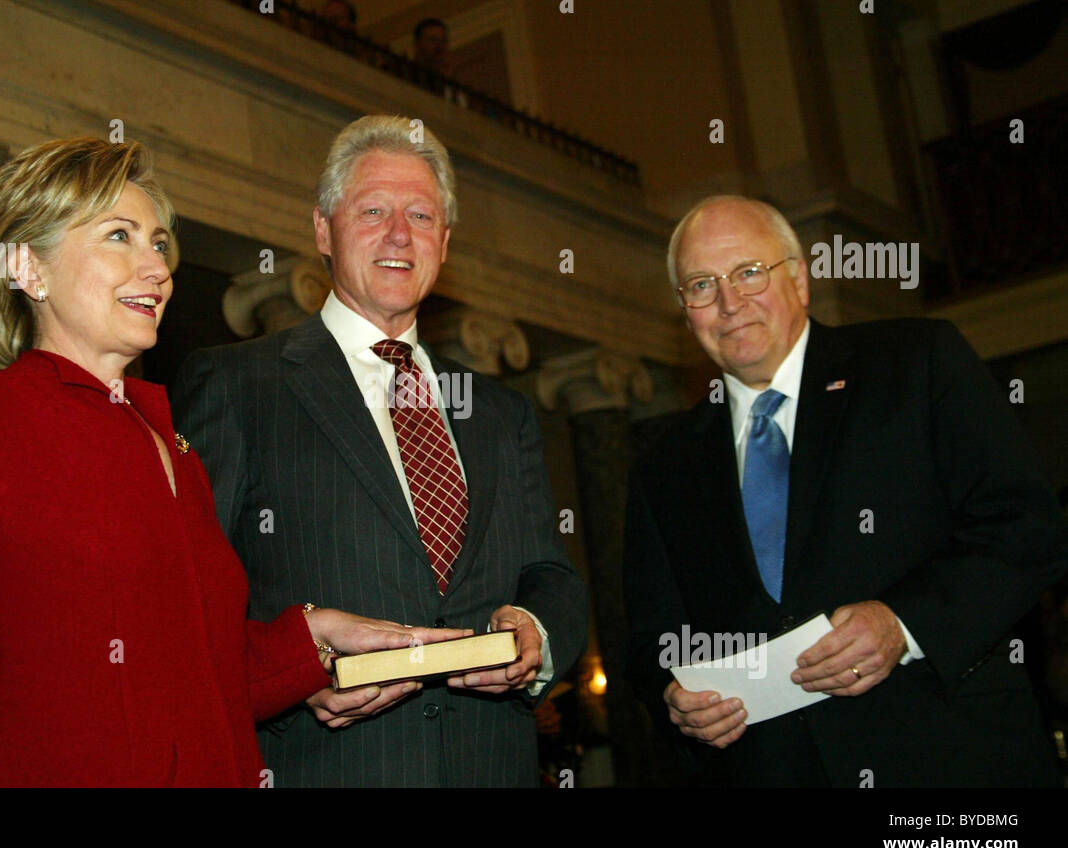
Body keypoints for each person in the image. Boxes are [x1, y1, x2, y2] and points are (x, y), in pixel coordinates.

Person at [0, 136, 463, 787]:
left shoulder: (172, 445)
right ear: (28, 269)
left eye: (157, 243)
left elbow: (198, 682)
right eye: (119, 236)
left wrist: (313, 636)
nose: (157, 268)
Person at [172, 116, 589, 787]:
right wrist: (286, 676)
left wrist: (535, 629)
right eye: (373, 210)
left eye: (421, 215)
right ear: (321, 230)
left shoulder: (500, 411)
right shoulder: (237, 385)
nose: (400, 234)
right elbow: (188, 597)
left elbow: (551, 574)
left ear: (445, 242)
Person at [624, 195, 1068, 787]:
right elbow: (652, 635)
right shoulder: (664, 464)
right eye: (701, 285)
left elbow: (1027, 526)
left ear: (800, 279)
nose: (729, 303)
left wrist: (903, 623)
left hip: (948, 766)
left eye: (749, 272)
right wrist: (671, 696)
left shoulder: (916, 363)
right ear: (686, 312)